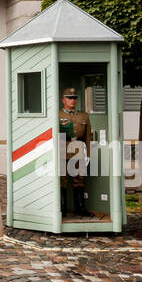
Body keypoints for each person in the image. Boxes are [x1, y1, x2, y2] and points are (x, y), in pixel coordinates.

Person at [58, 87, 91, 217]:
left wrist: (88, 154)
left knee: (79, 180)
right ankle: (62, 208)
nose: (72, 100)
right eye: (69, 98)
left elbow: (88, 136)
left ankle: (80, 208)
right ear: (63, 100)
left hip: (78, 149)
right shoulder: (58, 115)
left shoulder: (84, 116)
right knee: (62, 180)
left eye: (74, 98)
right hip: (63, 149)